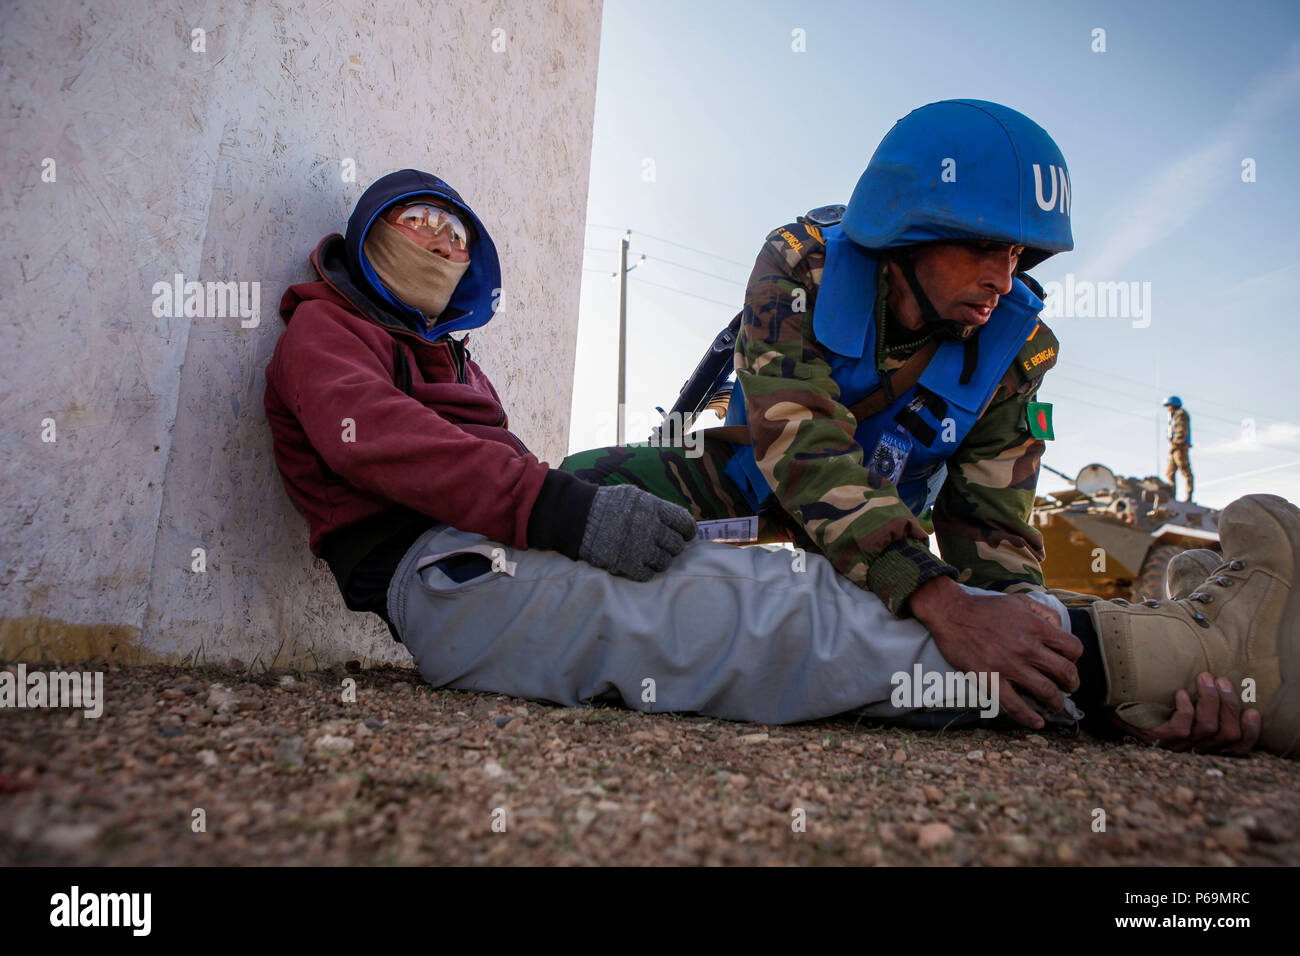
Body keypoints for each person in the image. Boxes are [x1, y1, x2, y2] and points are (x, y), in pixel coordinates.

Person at [263, 152, 1297, 760]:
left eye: (456, 228)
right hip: (442, 569)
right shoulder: (328, 330)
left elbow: (991, 533)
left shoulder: (440, 355)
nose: (443, 240)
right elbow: (387, 443)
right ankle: (1171, 660)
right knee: (757, 613)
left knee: (775, 607)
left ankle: (1164, 663)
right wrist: (562, 510)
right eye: (417, 221)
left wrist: (996, 613)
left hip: (470, 559)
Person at [1164, 396, 1194, 501]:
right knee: (1170, 473)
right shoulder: (1174, 417)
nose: (1168, 409)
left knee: (1185, 471)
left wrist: (1176, 443)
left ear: (1172, 405)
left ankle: (1189, 496)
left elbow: (1182, 431)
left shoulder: (1181, 414)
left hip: (1179, 448)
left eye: (1168, 406)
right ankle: (1172, 496)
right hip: (1174, 448)